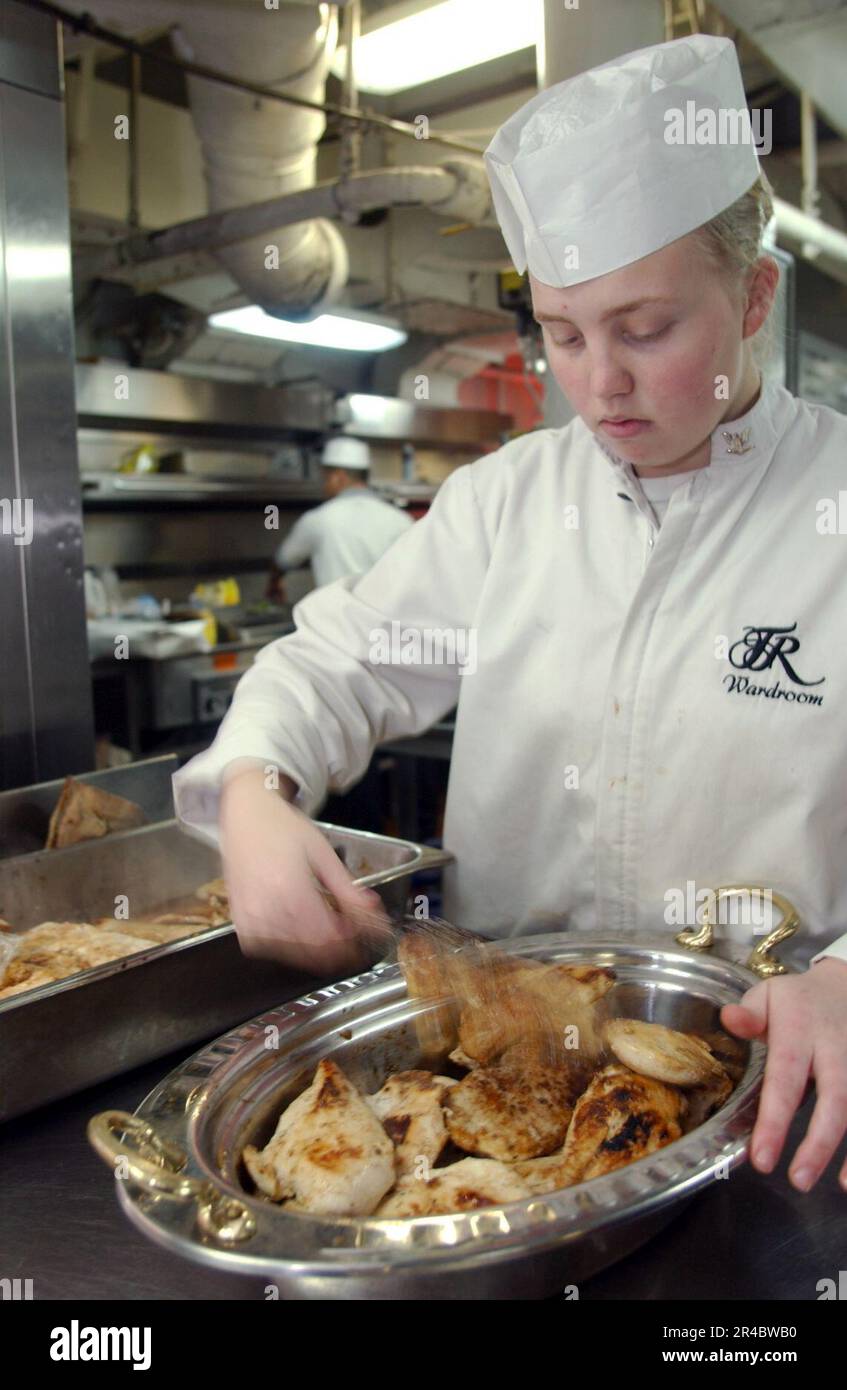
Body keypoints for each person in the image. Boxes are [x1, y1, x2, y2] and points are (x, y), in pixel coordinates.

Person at [174, 35, 847, 1194]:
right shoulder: (505, 504)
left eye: (645, 329)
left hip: (779, 1100)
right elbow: (329, 666)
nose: (598, 385)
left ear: (752, 296)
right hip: (502, 1103)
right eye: (564, 332)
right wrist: (251, 790)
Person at [266, 435, 413, 600]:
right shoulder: (401, 520)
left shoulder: (318, 519)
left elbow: (283, 561)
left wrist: (274, 583)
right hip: (385, 621)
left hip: (335, 621)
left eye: (325, 477)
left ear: (338, 477)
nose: (324, 484)